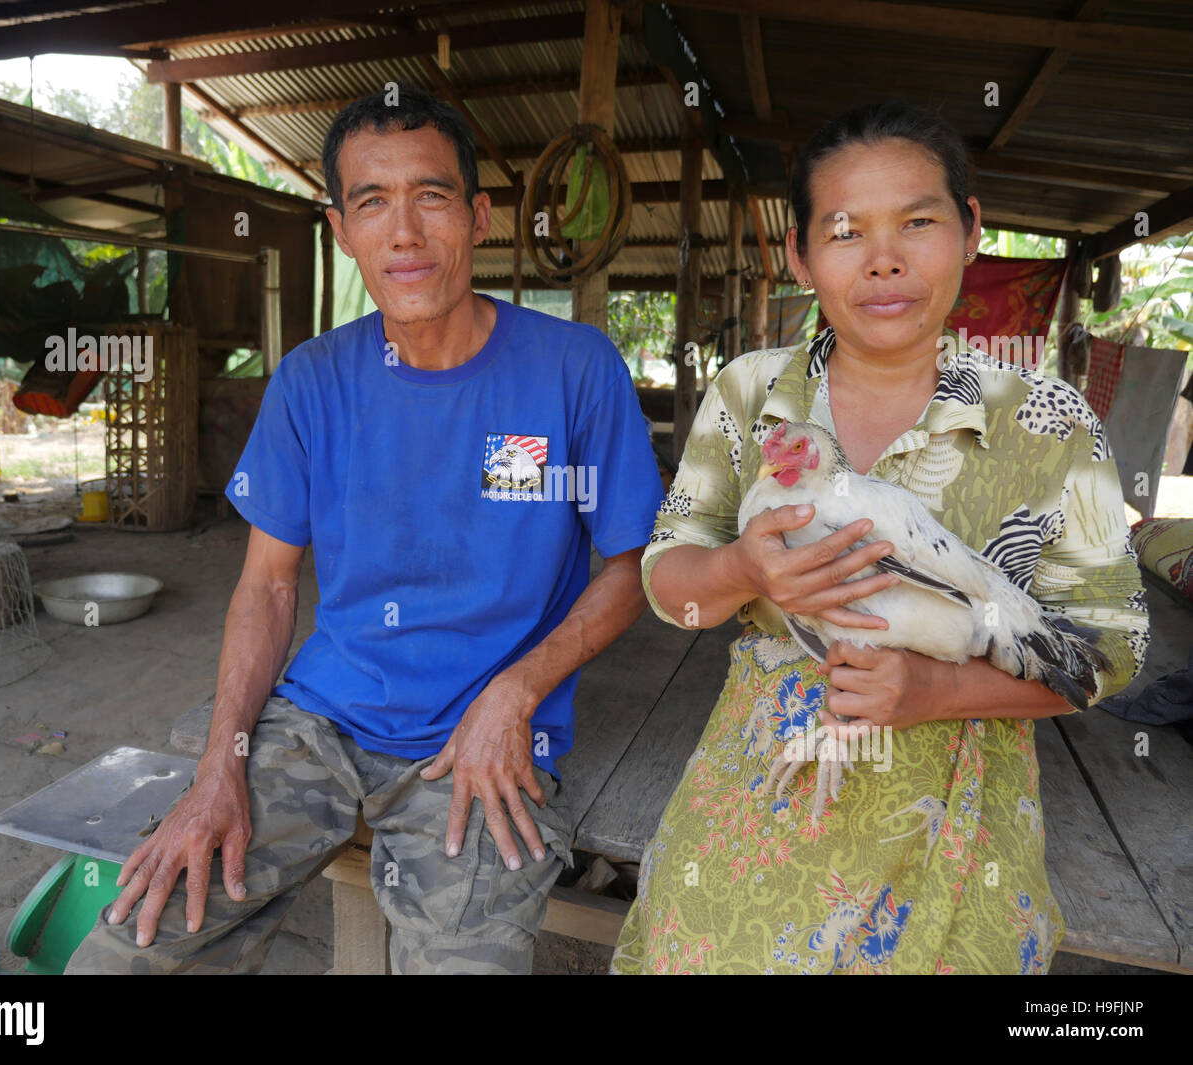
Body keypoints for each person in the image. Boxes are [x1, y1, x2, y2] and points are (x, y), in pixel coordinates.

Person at [66, 82, 663, 975]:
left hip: (484, 738)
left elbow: (631, 566)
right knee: (131, 948)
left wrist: (516, 691)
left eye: (431, 196)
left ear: (479, 216)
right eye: (373, 203)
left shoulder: (574, 369)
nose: (406, 232)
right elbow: (267, 587)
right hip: (319, 722)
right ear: (342, 230)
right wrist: (220, 767)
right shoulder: (312, 380)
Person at [609, 101, 1150, 975]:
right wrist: (745, 568)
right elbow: (673, 586)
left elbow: (1107, 655)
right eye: (847, 230)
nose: (885, 258)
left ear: (971, 230)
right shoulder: (751, 393)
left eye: (919, 222)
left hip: (955, 820)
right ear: (800, 252)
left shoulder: (1051, 423)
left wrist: (934, 689)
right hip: (759, 802)